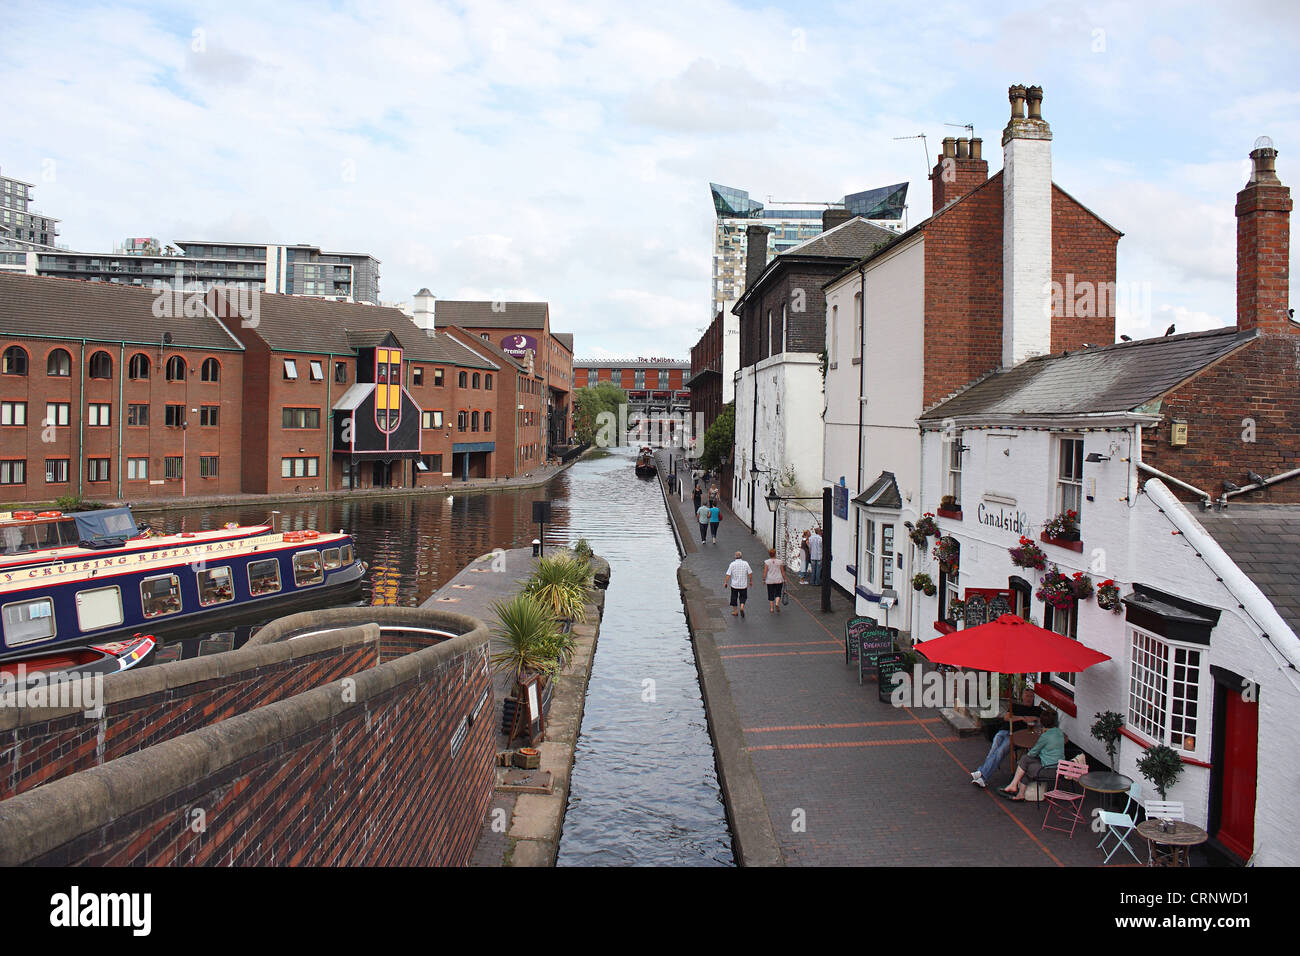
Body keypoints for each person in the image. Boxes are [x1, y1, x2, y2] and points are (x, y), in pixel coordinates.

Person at [970, 703, 1044, 788]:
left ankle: (982, 775)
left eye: (1031, 696)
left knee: (1001, 751)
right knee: (994, 747)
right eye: (1027, 695)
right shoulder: (1015, 706)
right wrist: (1022, 718)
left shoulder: (1036, 710)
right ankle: (983, 773)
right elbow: (1007, 717)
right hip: (1004, 730)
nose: (1029, 698)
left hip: (1016, 735)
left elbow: (1040, 721)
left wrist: (1032, 718)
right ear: (1023, 697)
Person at [1001, 708, 1064, 800]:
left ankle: (1015, 787)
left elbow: (1033, 753)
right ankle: (1017, 790)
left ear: (1042, 722)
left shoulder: (1045, 736)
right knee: (1025, 761)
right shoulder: (1059, 732)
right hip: (1059, 767)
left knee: (1025, 765)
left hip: (1050, 770)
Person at [724, 550, 753, 618]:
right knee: (743, 597)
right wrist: (751, 581)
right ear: (741, 556)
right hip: (743, 585)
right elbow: (750, 573)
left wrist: (726, 582)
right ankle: (742, 606)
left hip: (734, 585)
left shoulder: (732, 564)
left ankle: (735, 611)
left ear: (735, 557)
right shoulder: (746, 563)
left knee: (734, 597)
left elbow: (728, 574)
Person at [763, 548, 787, 613]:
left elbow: (765, 571)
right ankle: (777, 603)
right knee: (778, 593)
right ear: (775, 554)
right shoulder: (780, 562)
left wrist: (763, 579)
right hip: (778, 579)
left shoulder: (767, 562)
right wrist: (785, 579)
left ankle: (771, 608)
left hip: (770, 580)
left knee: (770, 593)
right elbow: (782, 571)